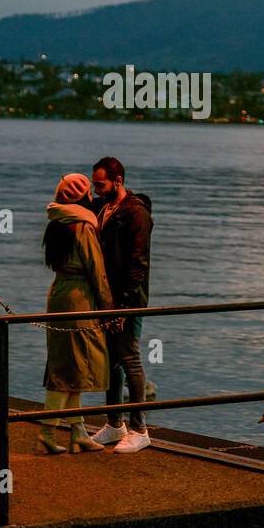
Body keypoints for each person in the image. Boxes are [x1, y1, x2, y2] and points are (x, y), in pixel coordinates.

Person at [36, 173, 112, 455]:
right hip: (79, 300)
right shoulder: (82, 226)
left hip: (59, 292)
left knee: (70, 366)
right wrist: (108, 308)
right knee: (68, 370)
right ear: (82, 197)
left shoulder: (58, 222)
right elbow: (97, 270)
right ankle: (47, 430)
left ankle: (78, 433)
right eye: (88, 194)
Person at [88, 156, 154, 454]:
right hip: (108, 299)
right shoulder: (104, 207)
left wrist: (123, 306)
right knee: (110, 360)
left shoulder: (136, 214)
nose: (96, 189)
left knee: (129, 358)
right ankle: (115, 423)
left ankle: (140, 428)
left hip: (127, 299)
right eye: (93, 184)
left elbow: (138, 263)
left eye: (100, 184)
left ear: (118, 181)